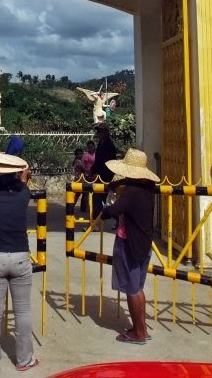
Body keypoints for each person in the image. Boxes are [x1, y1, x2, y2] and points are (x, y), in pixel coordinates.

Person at [0, 151, 39, 373]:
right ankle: (25, 360)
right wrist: (23, 178)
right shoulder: (23, 194)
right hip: (21, 256)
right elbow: (23, 183)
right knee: (22, 312)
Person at [98, 148, 160, 344]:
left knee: (132, 290)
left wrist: (105, 210)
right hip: (144, 243)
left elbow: (113, 211)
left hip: (129, 244)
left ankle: (139, 333)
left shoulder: (131, 192)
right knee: (138, 288)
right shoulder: (148, 189)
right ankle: (140, 328)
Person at [90, 122, 118, 218]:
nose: (98, 133)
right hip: (100, 176)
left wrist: (98, 173)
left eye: (100, 131)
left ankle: (117, 220)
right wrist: (92, 171)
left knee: (106, 199)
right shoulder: (100, 144)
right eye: (97, 131)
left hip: (105, 176)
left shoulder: (109, 146)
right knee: (101, 199)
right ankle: (96, 221)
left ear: (106, 132)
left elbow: (107, 162)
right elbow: (97, 161)